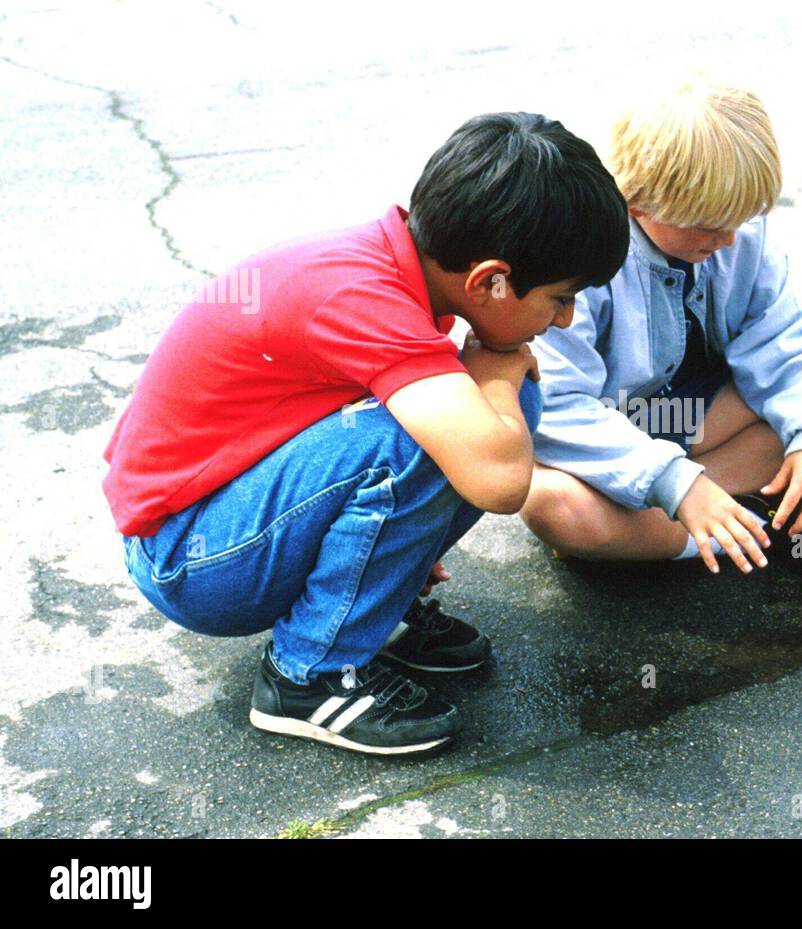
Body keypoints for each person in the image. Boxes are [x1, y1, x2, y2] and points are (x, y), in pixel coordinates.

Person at [102, 112, 629, 754]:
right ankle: (310, 673)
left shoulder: (396, 266)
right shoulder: (361, 295)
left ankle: (368, 611)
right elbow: (499, 482)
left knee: (484, 414)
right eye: (561, 296)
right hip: (189, 557)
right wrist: (491, 362)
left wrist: (389, 546)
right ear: (489, 279)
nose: (567, 318)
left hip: (226, 514)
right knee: (433, 439)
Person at [523, 79, 802, 575]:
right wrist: (675, 482)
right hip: (617, 441)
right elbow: (554, 406)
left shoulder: (738, 235)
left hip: (701, 422)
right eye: (709, 226)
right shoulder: (581, 255)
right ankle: (752, 526)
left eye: (740, 219)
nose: (730, 238)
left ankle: (705, 524)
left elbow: (796, 339)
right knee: (553, 505)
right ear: (637, 201)